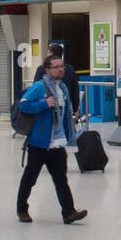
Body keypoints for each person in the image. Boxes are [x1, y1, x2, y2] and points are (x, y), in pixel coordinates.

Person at [15, 55, 88, 224]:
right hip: (39, 143)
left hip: (57, 142)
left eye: (61, 66)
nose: (60, 69)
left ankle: (69, 212)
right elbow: (23, 105)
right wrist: (43, 104)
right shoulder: (40, 87)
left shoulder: (62, 87)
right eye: (56, 67)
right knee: (30, 178)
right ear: (47, 70)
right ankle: (22, 209)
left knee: (61, 179)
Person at [32, 43, 79, 114]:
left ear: (50, 54)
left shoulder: (42, 68)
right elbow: (75, 90)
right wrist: (76, 107)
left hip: (47, 105)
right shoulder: (70, 69)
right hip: (64, 105)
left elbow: (35, 88)